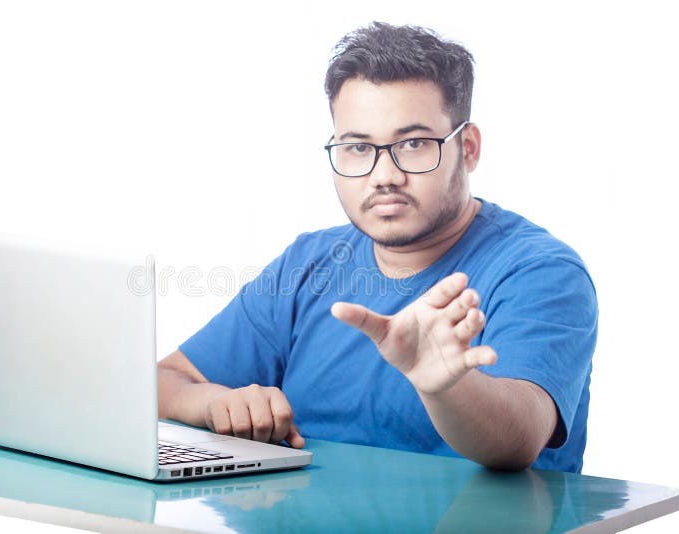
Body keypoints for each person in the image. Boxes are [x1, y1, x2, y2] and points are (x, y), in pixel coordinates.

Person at [158, 22, 597, 473]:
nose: (384, 175)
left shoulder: (541, 271)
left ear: (467, 148)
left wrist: (444, 386)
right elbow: (163, 380)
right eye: (357, 147)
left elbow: (520, 438)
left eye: (413, 144)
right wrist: (215, 403)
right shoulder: (308, 263)